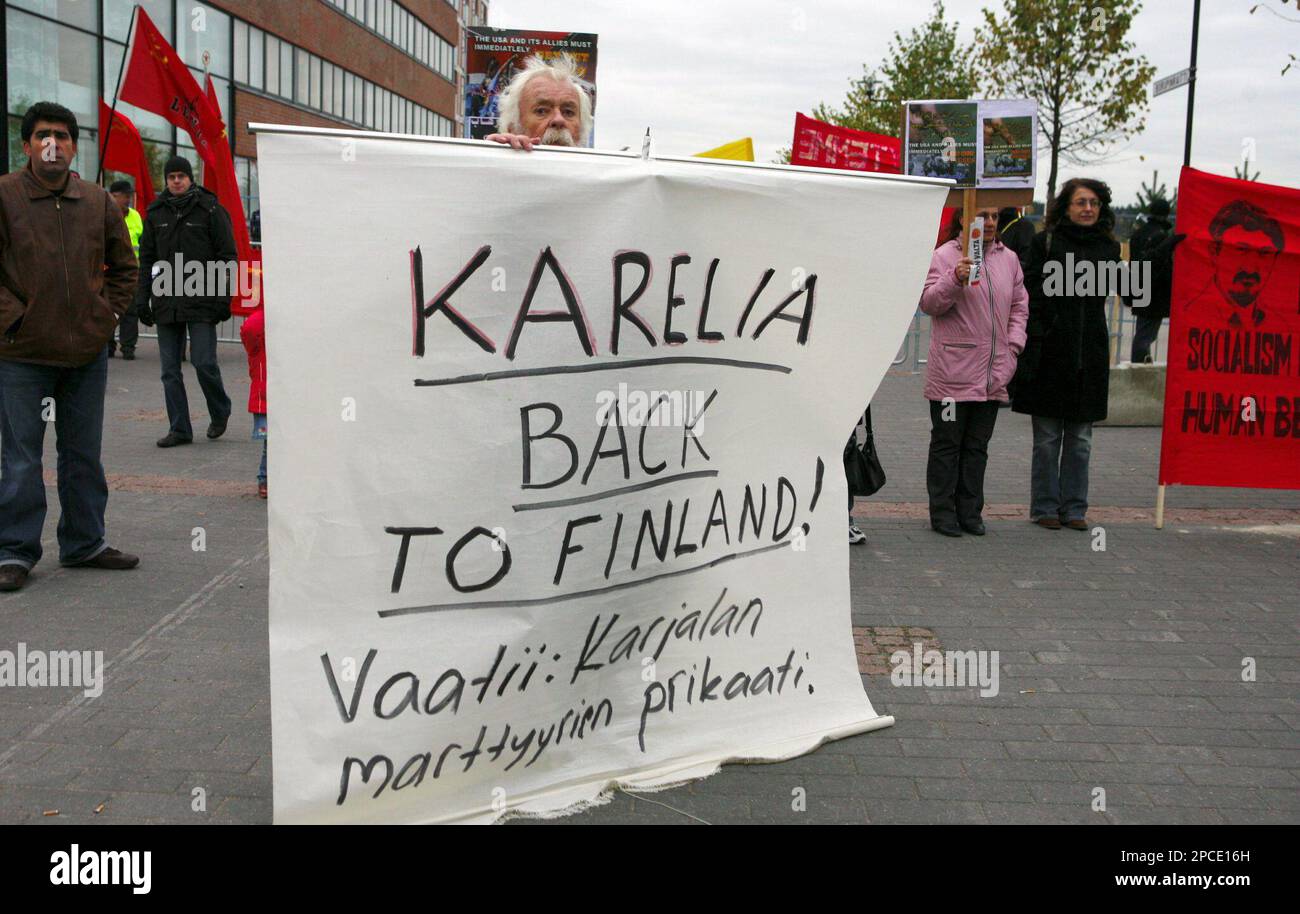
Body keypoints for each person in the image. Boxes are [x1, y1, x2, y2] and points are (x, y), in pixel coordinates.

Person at [0, 102, 141, 592]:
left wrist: (109, 318)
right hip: (23, 355)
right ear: (27, 145)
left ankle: (85, 543)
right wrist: (12, 320)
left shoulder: (98, 200)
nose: (51, 143)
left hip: (85, 354)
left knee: (83, 455)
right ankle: (15, 550)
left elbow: (126, 268)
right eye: (42, 135)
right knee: (20, 458)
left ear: (74, 145)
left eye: (60, 135)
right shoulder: (5, 195)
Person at [1012, 178, 1121, 531]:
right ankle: (1044, 506)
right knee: (1046, 440)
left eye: (1093, 203)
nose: (1087, 208)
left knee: (1081, 442)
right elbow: (1028, 289)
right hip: (1049, 354)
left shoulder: (1109, 247)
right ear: (1067, 207)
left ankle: (1075, 508)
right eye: (1080, 202)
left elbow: (1133, 289)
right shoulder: (1046, 243)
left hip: (1088, 355)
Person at [919, 205, 1029, 537]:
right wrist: (954, 279)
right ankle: (943, 512)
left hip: (993, 373)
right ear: (963, 218)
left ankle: (970, 511)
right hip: (953, 373)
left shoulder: (1008, 258)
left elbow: (1019, 306)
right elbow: (929, 304)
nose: (991, 222)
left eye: (995, 216)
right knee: (947, 444)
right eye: (982, 215)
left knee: (977, 446)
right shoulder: (943, 256)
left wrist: (1013, 348)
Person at [135, 156, 235, 448]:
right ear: (166, 181)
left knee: (204, 362)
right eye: (171, 176)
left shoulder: (211, 209)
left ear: (191, 178)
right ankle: (180, 429)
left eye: (181, 175)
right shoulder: (155, 213)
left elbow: (227, 257)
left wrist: (222, 298)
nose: (176, 180)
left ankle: (220, 410)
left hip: (202, 300)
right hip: (167, 301)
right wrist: (142, 299)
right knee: (169, 370)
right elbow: (147, 260)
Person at [1184, 199, 1284, 328]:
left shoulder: (1280, 325)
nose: (1250, 269)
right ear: (1214, 252)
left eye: (1264, 253)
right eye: (1241, 250)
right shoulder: (1192, 317)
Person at [485, 54, 592, 150]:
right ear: (512, 129)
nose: (558, 120)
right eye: (541, 111)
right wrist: (489, 159)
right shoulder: (496, 166)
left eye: (568, 112)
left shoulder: (601, 170)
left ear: (582, 130)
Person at [1126, 197, 1173, 362]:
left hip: (1141, 289)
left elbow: (1133, 263)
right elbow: (1164, 267)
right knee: (1146, 336)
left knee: (1143, 332)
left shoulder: (1138, 234)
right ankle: (1139, 367)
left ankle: (1141, 363)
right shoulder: (1161, 236)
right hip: (1156, 294)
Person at [107, 179, 144, 360]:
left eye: (130, 196)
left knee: (130, 311)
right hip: (107, 272)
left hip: (130, 273)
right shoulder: (103, 213)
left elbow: (142, 244)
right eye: (125, 196)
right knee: (108, 309)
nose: (128, 199)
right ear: (114, 196)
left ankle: (128, 347)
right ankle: (107, 345)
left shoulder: (135, 216)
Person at [240, 306, 268, 498]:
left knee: (271, 442)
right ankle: (265, 478)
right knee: (271, 442)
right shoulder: (259, 334)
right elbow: (250, 328)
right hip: (265, 398)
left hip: (266, 397)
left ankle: (265, 478)